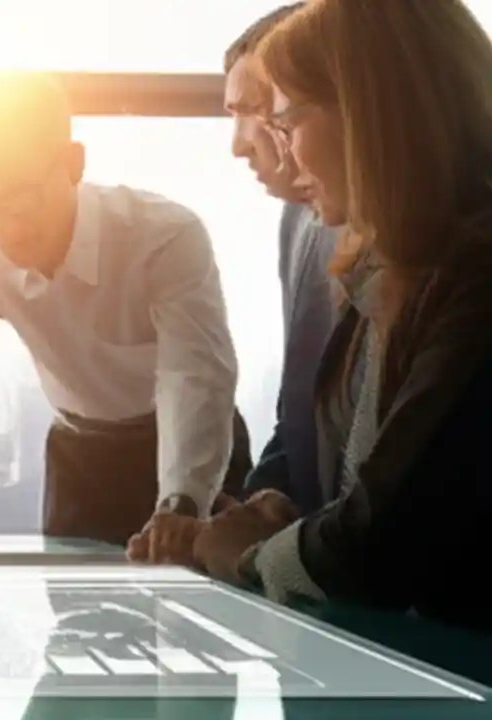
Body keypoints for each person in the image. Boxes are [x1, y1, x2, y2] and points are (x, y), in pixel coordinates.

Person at [194, 0, 492, 633]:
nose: (282, 151)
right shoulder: (396, 266)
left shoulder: (474, 276)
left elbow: (380, 542)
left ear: (369, 114)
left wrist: (244, 557)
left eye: (285, 121)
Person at [0, 71, 251, 559]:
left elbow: (195, 374)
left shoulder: (164, 236)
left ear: (73, 163)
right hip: (80, 455)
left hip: (192, 443)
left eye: (20, 202)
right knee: (75, 602)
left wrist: (182, 502)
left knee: (204, 591)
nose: (5, 230)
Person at [222, 4, 338, 516]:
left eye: (255, 110)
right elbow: (299, 406)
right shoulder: (298, 223)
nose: (239, 145)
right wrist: (254, 506)